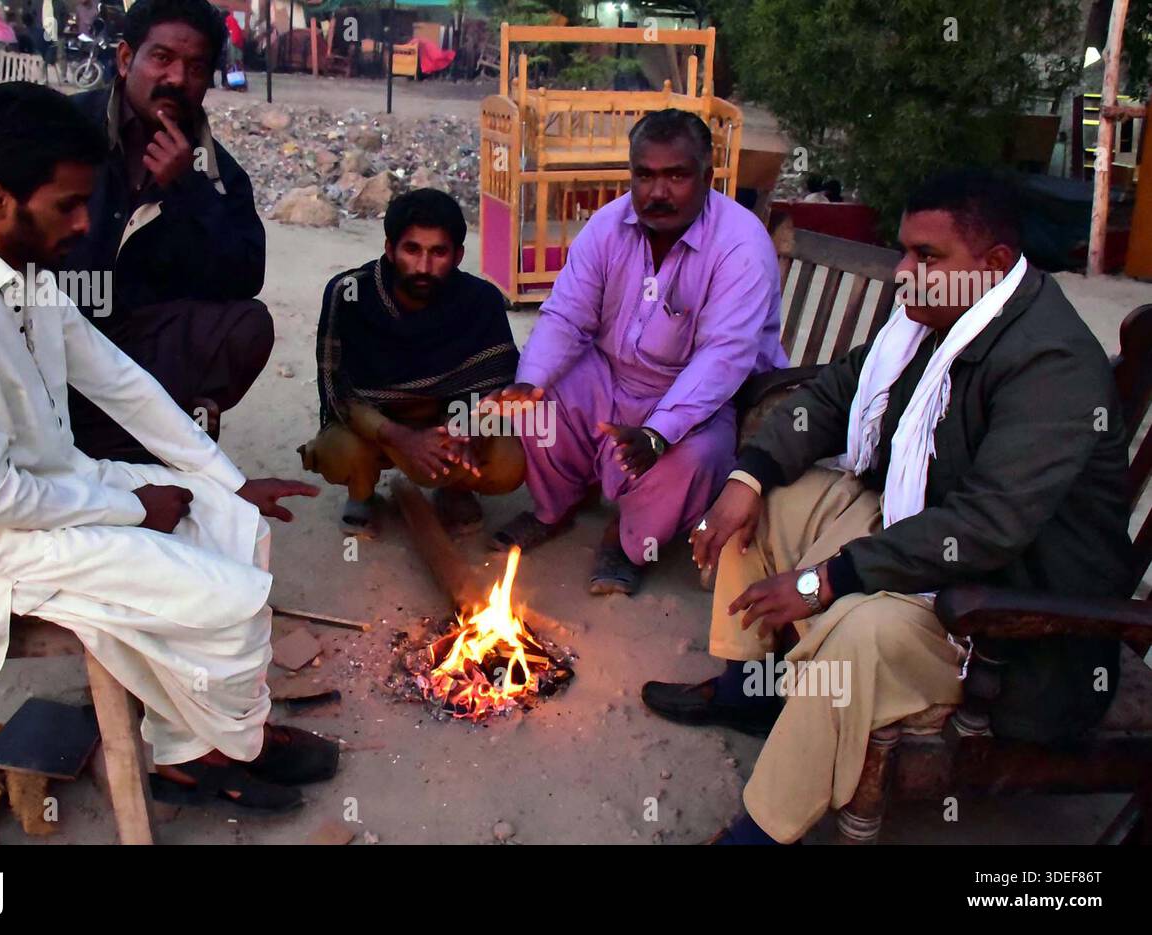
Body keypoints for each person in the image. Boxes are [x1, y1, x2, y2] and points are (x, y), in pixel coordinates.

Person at [0, 82, 333, 813]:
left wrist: (225, 480)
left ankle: (196, 743)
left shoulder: (22, 275)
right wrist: (132, 506)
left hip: (60, 490)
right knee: (232, 602)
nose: (85, 225)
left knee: (236, 527)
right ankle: (220, 745)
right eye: (67, 206)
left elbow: (121, 381)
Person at [643, 169, 1133, 844]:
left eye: (926, 256)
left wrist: (825, 580)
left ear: (991, 264)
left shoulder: (1051, 366)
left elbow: (987, 527)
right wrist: (748, 476)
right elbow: (834, 391)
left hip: (1014, 623)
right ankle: (750, 685)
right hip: (929, 537)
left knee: (857, 636)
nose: (904, 272)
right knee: (767, 501)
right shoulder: (937, 316)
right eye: (904, 250)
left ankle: (761, 830)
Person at [488, 108, 785, 596]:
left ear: (707, 177)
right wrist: (529, 379)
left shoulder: (741, 244)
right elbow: (566, 314)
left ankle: (627, 544)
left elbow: (723, 358)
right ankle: (555, 508)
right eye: (644, 175)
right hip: (612, 374)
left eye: (676, 175)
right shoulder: (607, 227)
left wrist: (657, 432)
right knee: (541, 402)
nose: (657, 192)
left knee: (694, 459)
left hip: (703, 394)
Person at [57, 0, 271, 464]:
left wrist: (188, 190)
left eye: (196, 67)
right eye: (162, 58)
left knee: (248, 325)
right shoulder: (61, 127)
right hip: (48, 327)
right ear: (125, 58)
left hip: (140, 348)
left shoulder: (217, 173)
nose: (177, 78)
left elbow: (245, 274)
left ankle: (155, 430)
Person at [298, 189, 524, 537]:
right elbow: (340, 395)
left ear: (458, 255)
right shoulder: (350, 295)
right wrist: (402, 438)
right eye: (412, 249)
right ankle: (362, 493)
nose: (423, 267)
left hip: (445, 419)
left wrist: (465, 430)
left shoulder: (481, 301)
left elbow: (492, 385)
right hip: (373, 423)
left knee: (508, 461)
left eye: (438, 252)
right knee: (338, 453)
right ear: (390, 249)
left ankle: (455, 491)